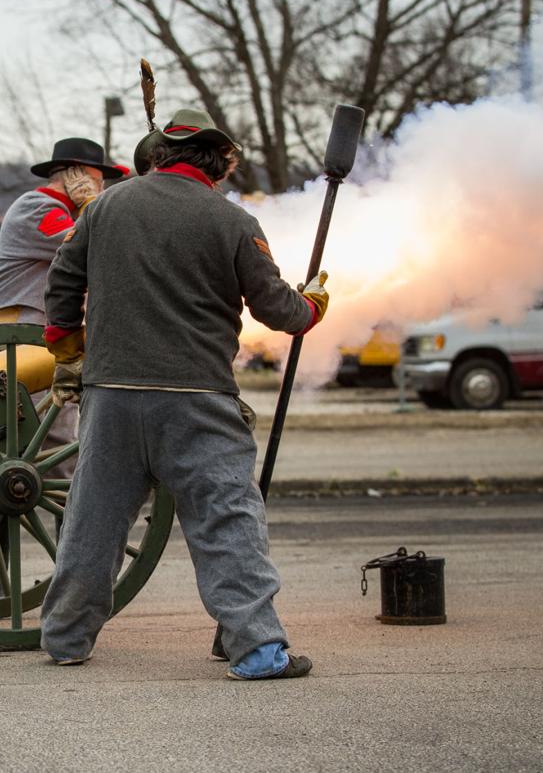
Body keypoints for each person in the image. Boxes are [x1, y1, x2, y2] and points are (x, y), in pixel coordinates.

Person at [39, 108, 330, 680]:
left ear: (162, 154)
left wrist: (68, 350)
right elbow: (280, 312)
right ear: (219, 163)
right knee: (227, 521)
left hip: (112, 394)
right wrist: (315, 301)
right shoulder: (233, 221)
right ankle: (257, 650)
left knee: (92, 521)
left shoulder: (103, 209)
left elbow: (62, 282)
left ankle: (66, 638)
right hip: (197, 396)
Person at [0, 137, 126, 598]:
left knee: (56, 468)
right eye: (99, 177)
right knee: (27, 465)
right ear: (77, 173)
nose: (103, 187)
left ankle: (70, 578)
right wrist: (94, 209)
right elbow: (87, 249)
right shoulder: (35, 207)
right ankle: (1, 578)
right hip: (12, 353)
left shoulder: (77, 212)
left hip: (45, 353)